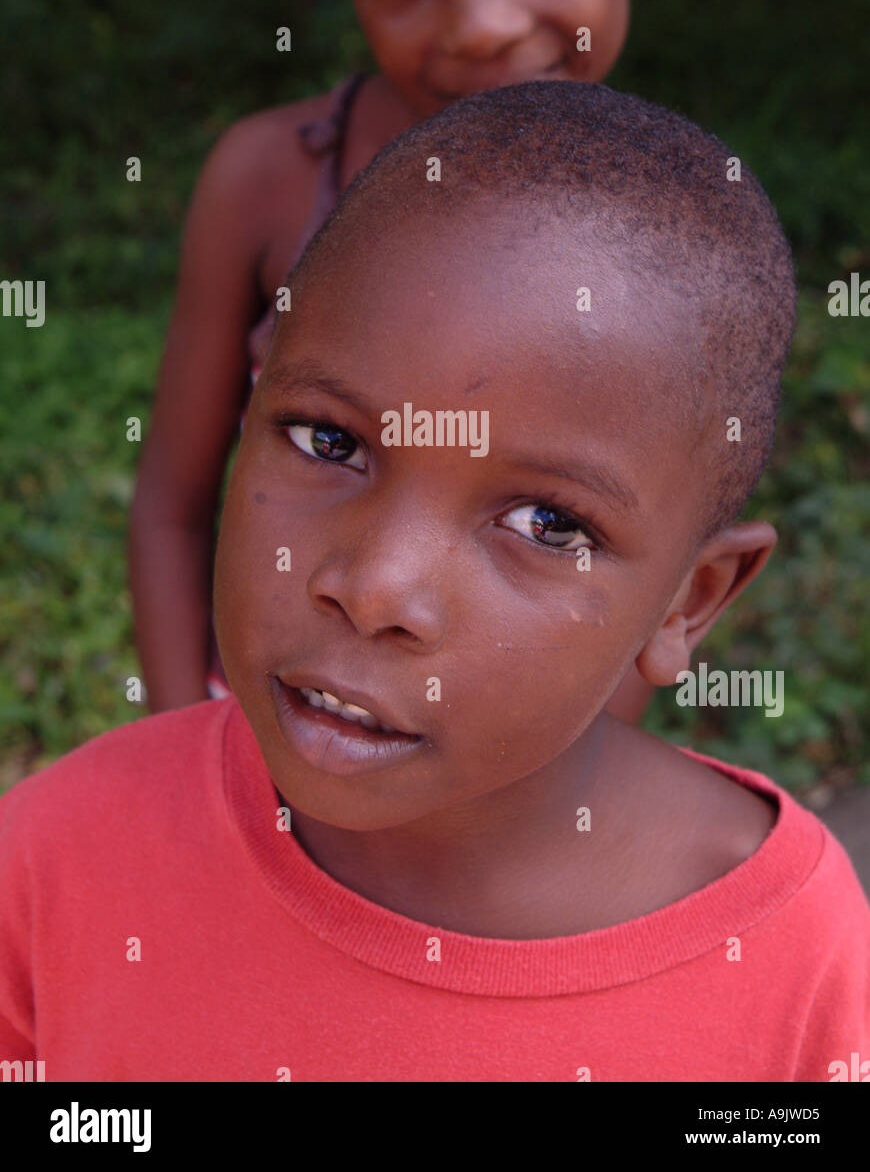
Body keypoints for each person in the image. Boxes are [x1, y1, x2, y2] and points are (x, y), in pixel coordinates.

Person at [3, 82, 867, 1082]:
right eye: (329, 440)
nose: (374, 588)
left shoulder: (783, 961)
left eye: (548, 524)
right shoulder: (60, 857)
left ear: (690, 600)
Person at [128, 0, 691, 718]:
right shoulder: (269, 181)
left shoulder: (681, 239)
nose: (480, 22)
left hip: (513, 782)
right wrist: (186, 764)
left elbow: (644, 574)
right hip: (277, 723)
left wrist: (555, 813)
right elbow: (172, 508)